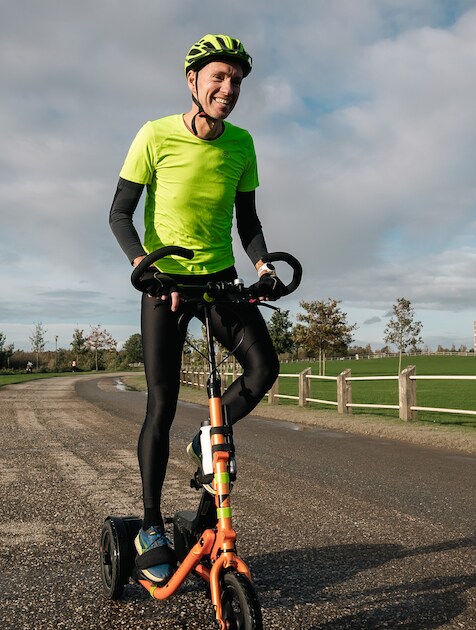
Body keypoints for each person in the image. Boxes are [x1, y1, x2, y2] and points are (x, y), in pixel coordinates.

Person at [108, 34, 283, 585]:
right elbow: (119, 215)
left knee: (264, 369)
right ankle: (151, 526)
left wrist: (262, 268)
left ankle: (207, 436)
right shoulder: (154, 135)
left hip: (219, 281)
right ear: (193, 81)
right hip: (164, 284)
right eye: (218, 78)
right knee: (161, 403)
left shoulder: (242, 144)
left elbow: (247, 223)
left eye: (235, 81)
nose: (227, 89)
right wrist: (145, 266)